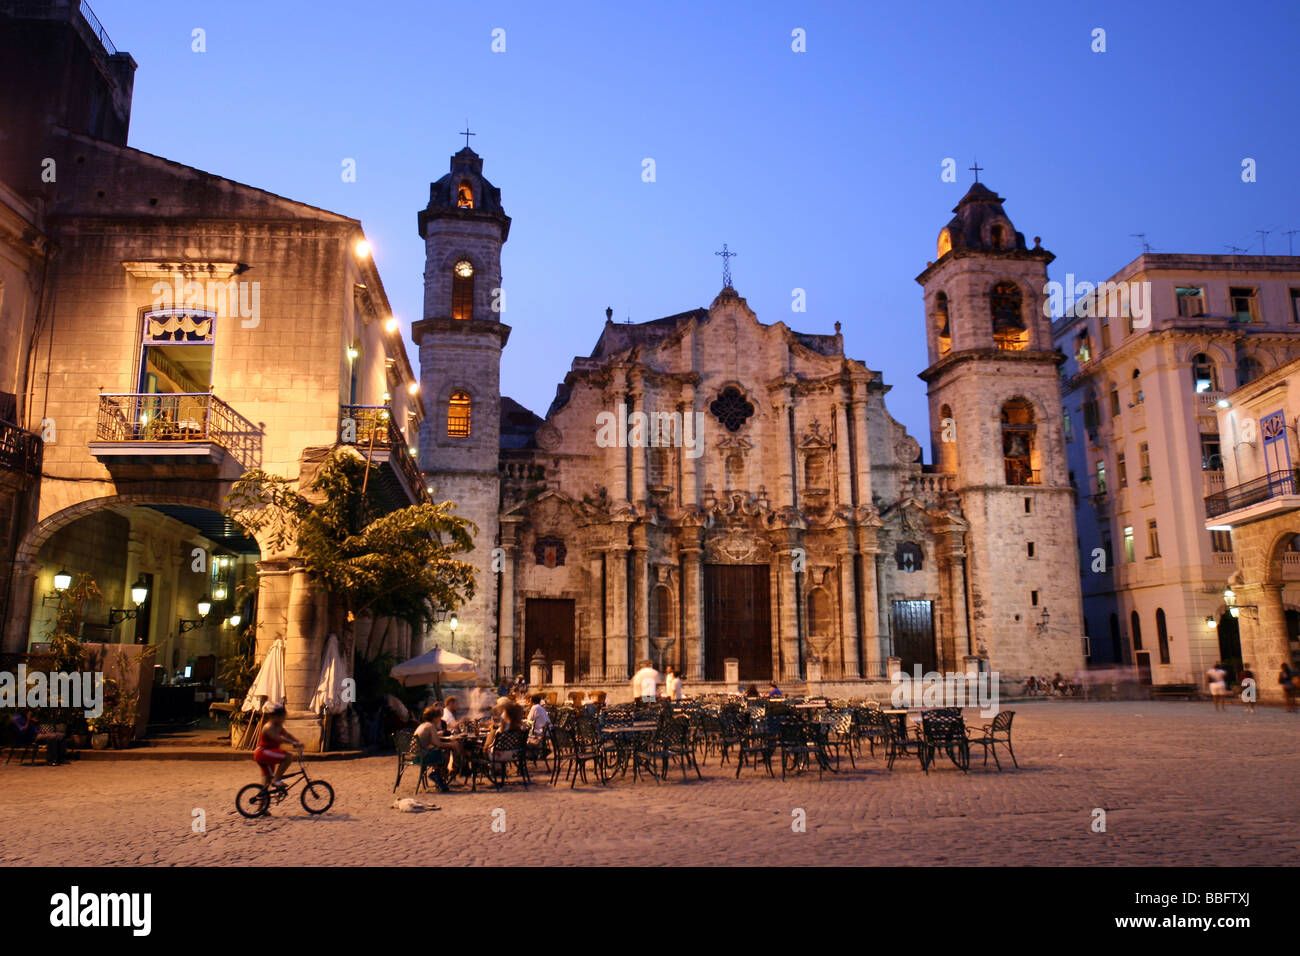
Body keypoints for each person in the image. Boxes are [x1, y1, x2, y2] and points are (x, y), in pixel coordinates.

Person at [412, 704, 463, 792]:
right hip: (422, 756)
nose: (440, 719)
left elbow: (431, 741)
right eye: (439, 717)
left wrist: (439, 734)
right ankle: (438, 775)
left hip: (415, 755)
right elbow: (438, 744)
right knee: (445, 753)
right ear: (435, 717)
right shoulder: (430, 726)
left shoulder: (424, 725)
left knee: (443, 752)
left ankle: (440, 778)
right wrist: (452, 745)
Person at [253, 706, 303, 791]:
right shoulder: (268, 727)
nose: (283, 719)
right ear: (275, 717)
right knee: (288, 757)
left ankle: (263, 802)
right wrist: (292, 743)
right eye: (282, 717)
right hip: (263, 752)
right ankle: (277, 780)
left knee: (266, 783)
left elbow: (287, 735)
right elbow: (278, 738)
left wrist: (298, 742)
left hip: (268, 753)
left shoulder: (278, 726)